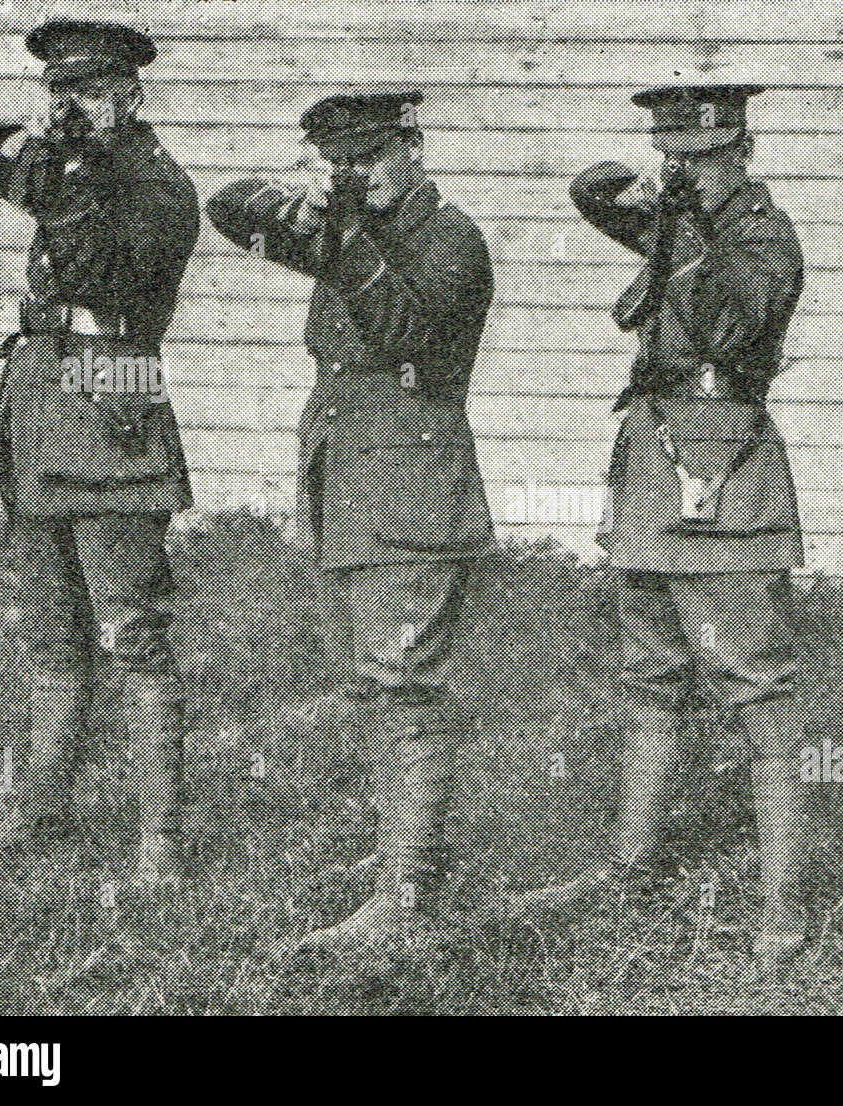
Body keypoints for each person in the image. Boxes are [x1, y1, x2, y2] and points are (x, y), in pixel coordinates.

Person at [510, 84, 813, 976]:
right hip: (653, 468)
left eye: (699, 158)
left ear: (741, 151)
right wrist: (662, 204)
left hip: (720, 478)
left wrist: (681, 231)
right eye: (670, 155)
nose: (680, 171)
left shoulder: (765, 238)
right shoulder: (677, 216)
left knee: (759, 694)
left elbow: (727, 322)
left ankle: (782, 909)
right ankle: (628, 870)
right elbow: (591, 186)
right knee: (649, 679)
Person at [207, 89, 494, 954]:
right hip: (344, 490)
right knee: (374, 688)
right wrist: (293, 201)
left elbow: (406, 334)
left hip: (410, 494)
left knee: (409, 692)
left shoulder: (452, 239)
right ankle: (400, 873)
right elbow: (226, 209)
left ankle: (407, 904)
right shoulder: (342, 225)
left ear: (415, 144)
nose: (354, 174)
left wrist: (344, 233)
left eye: (369, 157)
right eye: (338, 161)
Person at [0, 20, 199, 888]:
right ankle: (39, 813)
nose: (69, 109)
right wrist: (31, 141)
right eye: (57, 93)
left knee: (135, 635)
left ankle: (160, 843)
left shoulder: (157, 184)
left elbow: (106, 279)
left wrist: (76, 179)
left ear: (131, 96)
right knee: (53, 636)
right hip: (44, 409)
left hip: (114, 404)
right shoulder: (65, 167)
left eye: (86, 94)